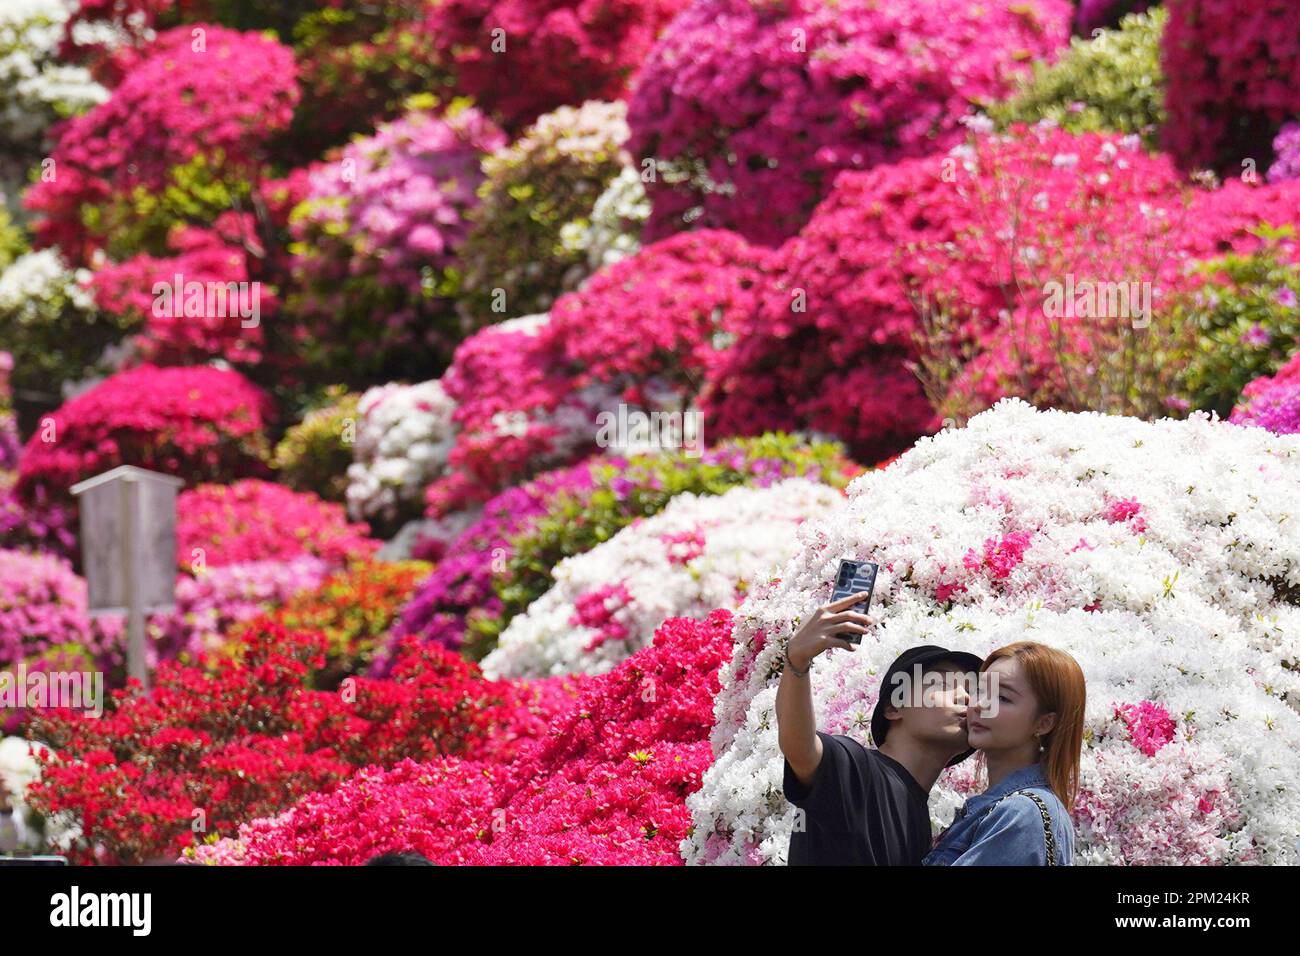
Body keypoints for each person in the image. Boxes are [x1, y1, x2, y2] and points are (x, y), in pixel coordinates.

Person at [778, 588, 983, 865]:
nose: (966, 698)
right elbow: (800, 747)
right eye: (944, 684)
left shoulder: (919, 816)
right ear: (893, 707)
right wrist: (797, 660)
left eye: (974, 692)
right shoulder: (858, 770)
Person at [923, 641, 1085, 866]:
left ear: (1044, 723)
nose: (979, 704)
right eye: (979, 690)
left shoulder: (1023, 814)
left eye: (1003, 697)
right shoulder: (1004, 808)